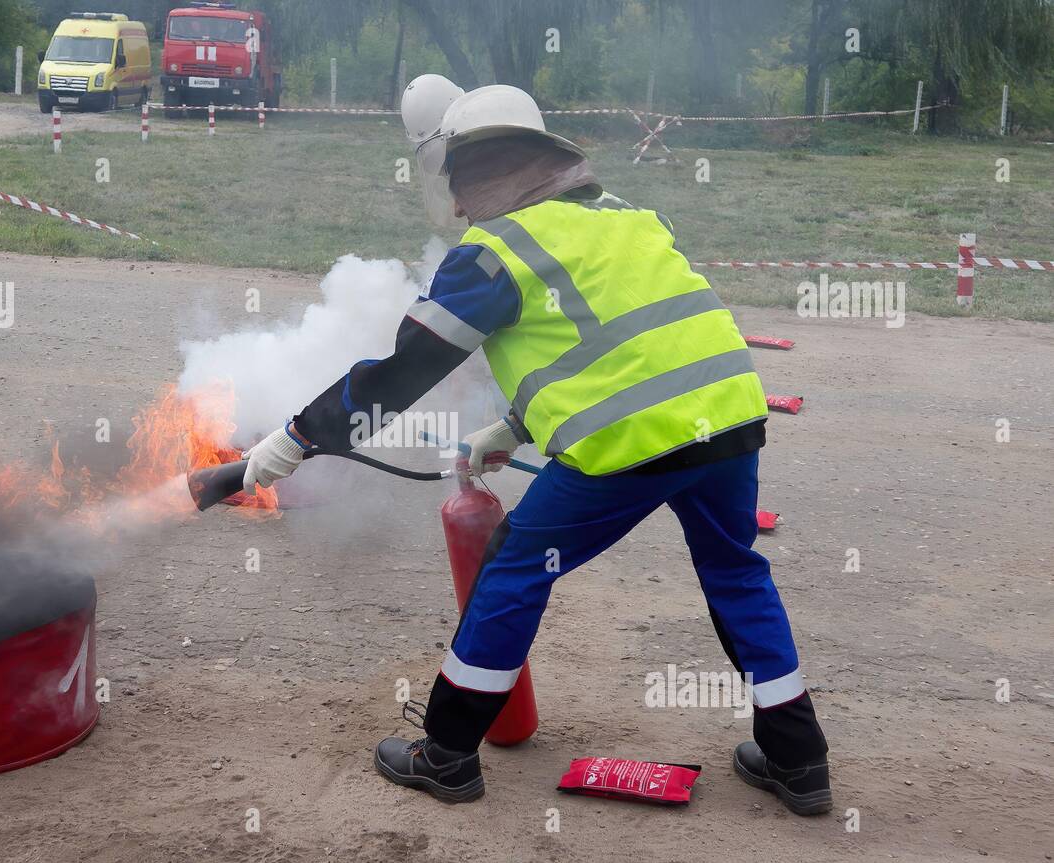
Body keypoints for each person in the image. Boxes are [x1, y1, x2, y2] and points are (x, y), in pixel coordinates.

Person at [242, 79, 831, 816]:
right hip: (729, 417)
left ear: (472, 174)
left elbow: (400, 376)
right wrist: (516, 426)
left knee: (514, 570)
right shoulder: (621, 216)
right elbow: (622, 342)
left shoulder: (493, 255)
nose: (455, 202)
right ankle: (800, 762)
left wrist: (296, 438)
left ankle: (447, 754)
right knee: (737, 576)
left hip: (630, 446)